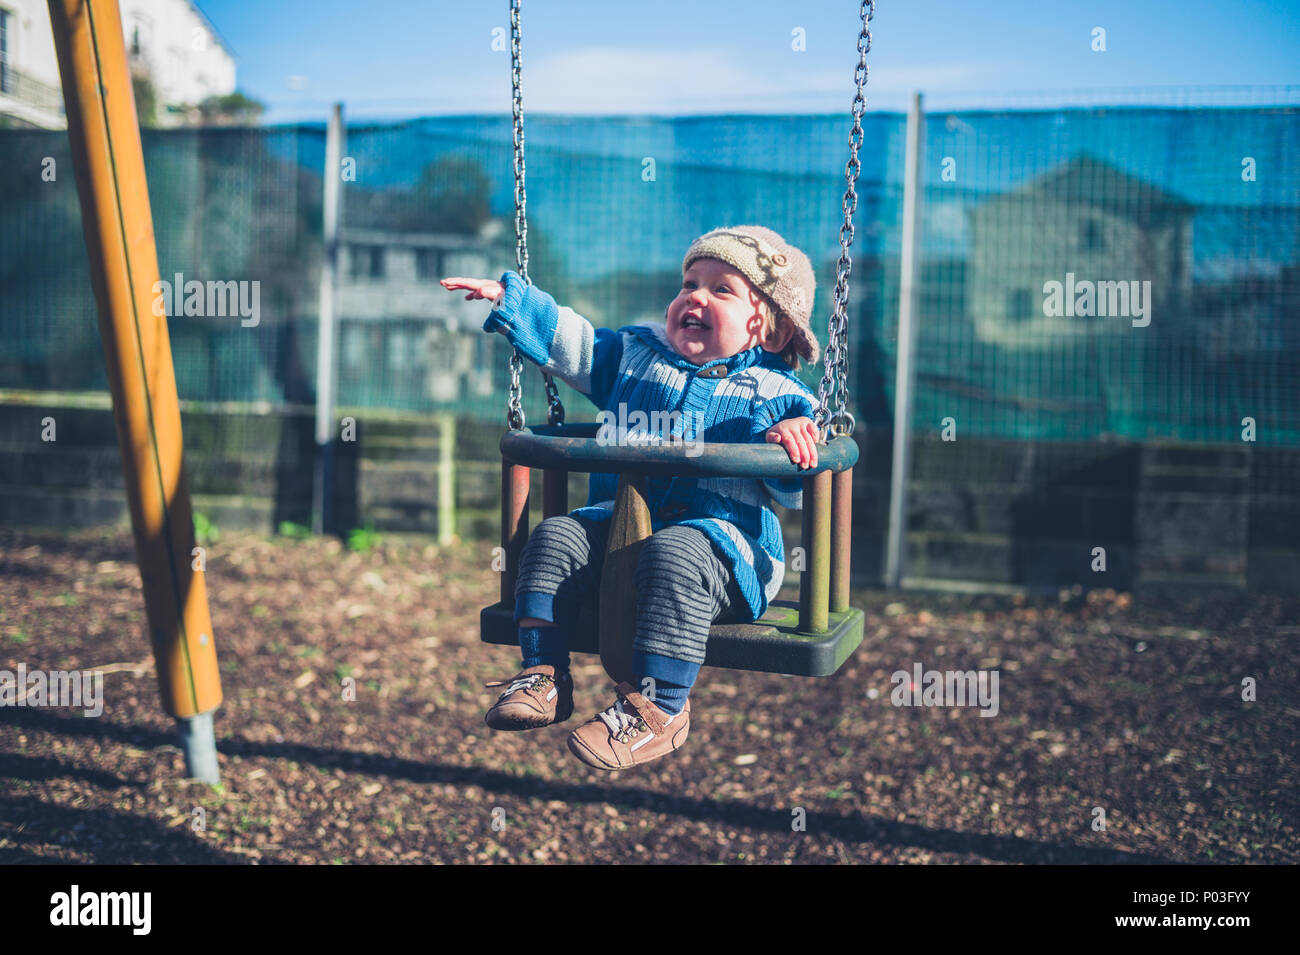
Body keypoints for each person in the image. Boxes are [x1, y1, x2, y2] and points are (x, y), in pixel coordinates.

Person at [441, 225, 823, 770]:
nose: (695, 296)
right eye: (690, 282)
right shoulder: (635, 357)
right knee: (556, 535)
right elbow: (572, 342)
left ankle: (660, 710)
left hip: (724, 553)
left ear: (772, 331)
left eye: (722, 290)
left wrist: (791, 442)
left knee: (677, 553)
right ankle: (542, 674)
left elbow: (796, 489)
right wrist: (515, 302)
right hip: (621, 535)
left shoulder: (778, 393)